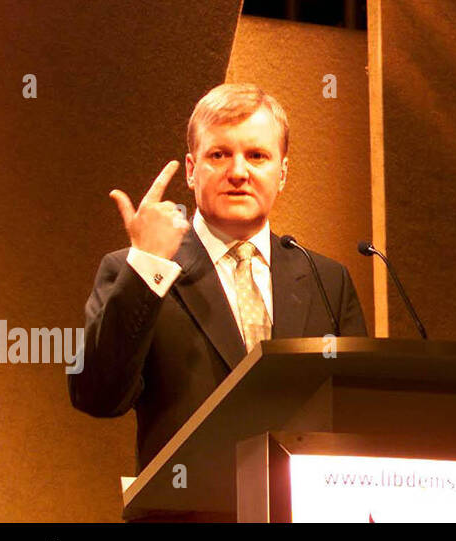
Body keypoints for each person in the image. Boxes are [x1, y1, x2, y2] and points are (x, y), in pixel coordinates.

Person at [69, 83, 368, 471]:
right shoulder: (136, 271)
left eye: (257, 155)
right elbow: (96, 395)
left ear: (283, 172)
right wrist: (147, 265)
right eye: (220, 154)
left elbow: (359, 411)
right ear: (192, 171)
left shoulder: (327, 281)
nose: (238, 172)